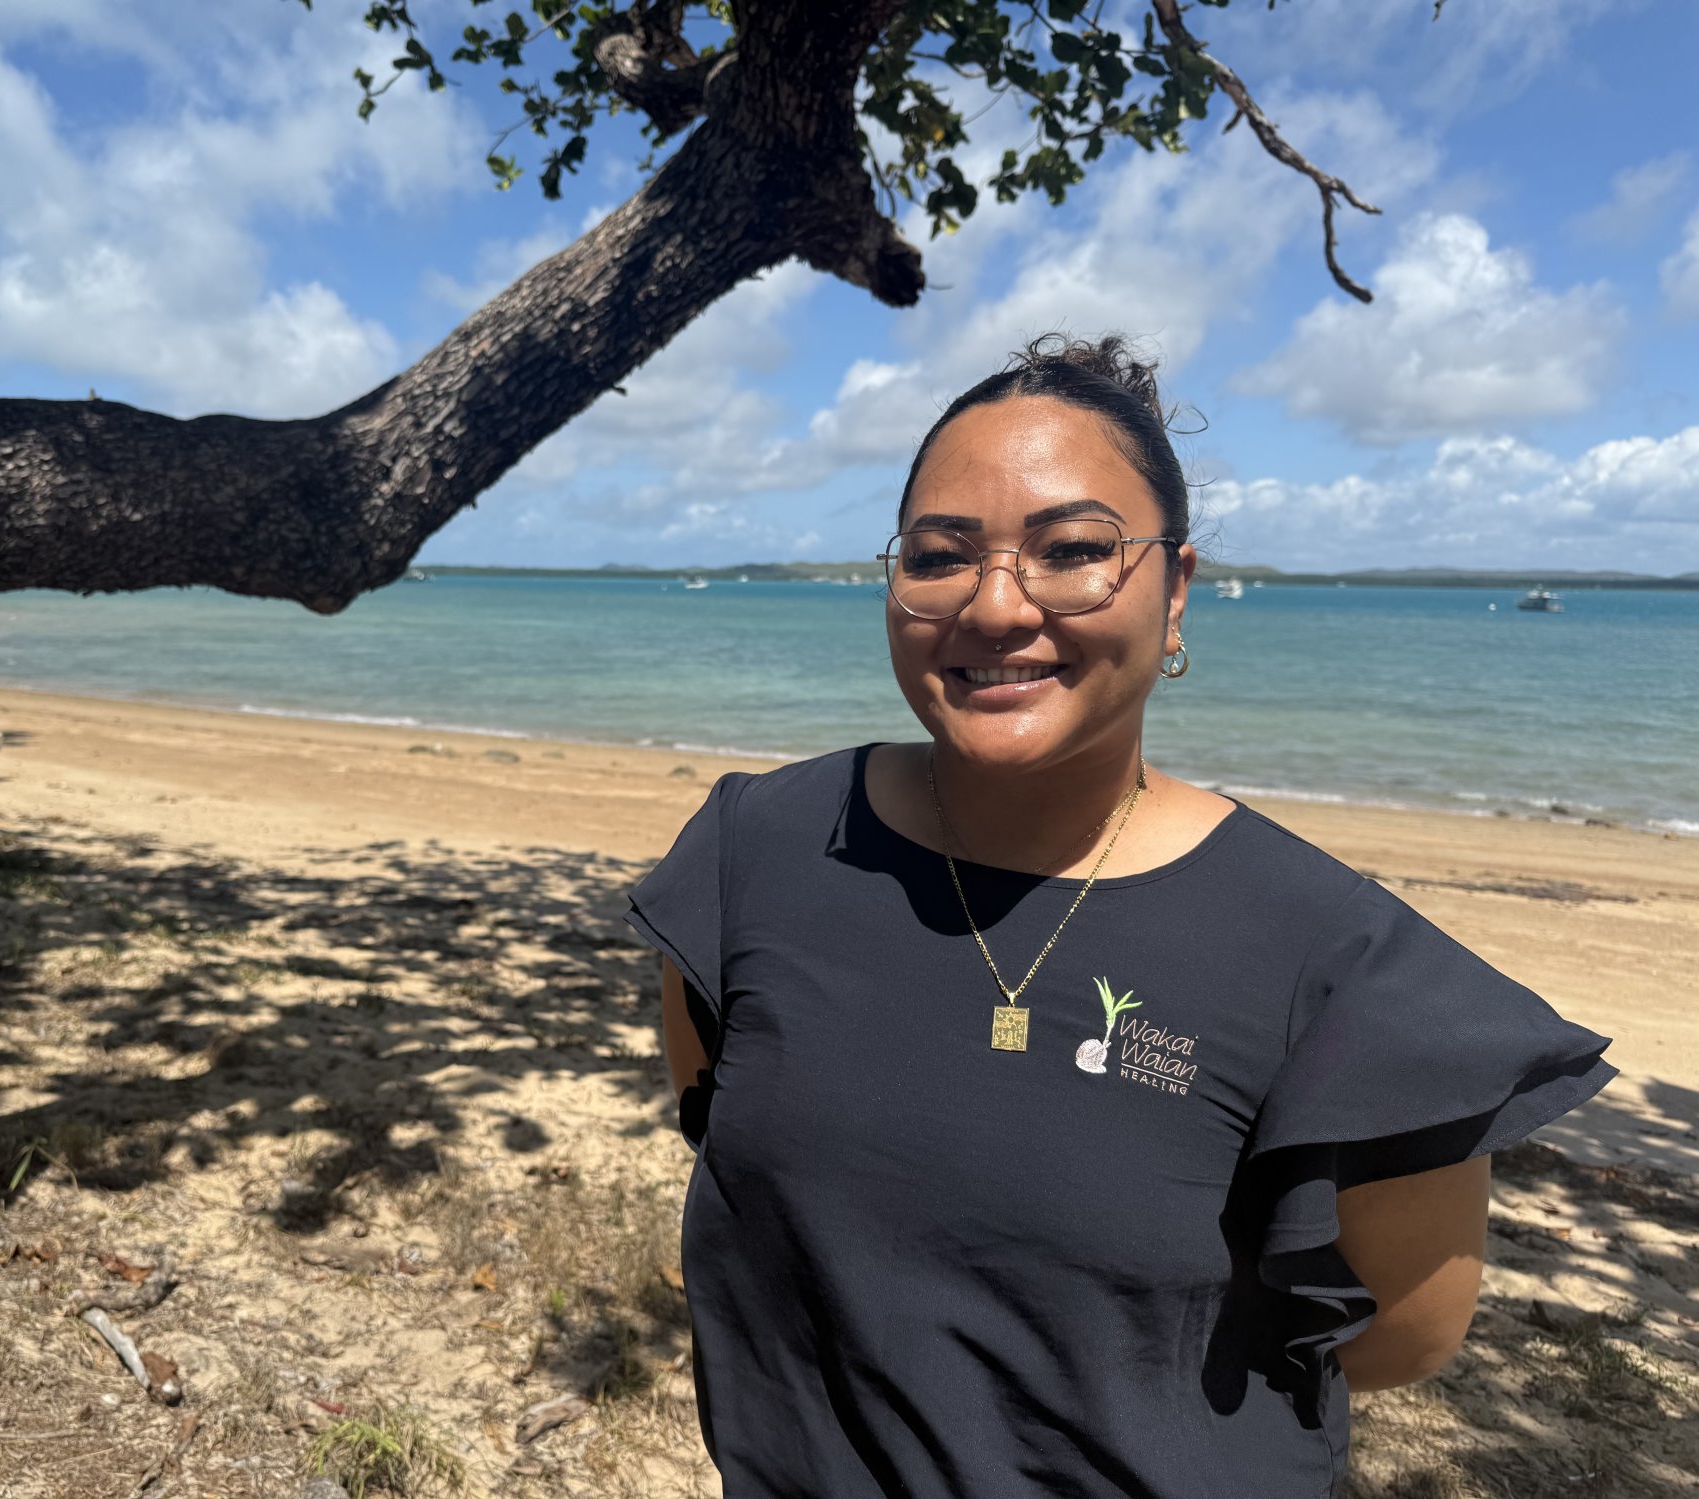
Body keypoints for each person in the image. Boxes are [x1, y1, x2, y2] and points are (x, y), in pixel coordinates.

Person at [622, 334, 1615, 1498]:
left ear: (1175, 589)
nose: (996, 605)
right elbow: (730, 1144)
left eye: (1073, 550)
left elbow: (1398, 1332)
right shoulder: (759, 851)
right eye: (940, 556)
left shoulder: (1334, 965)